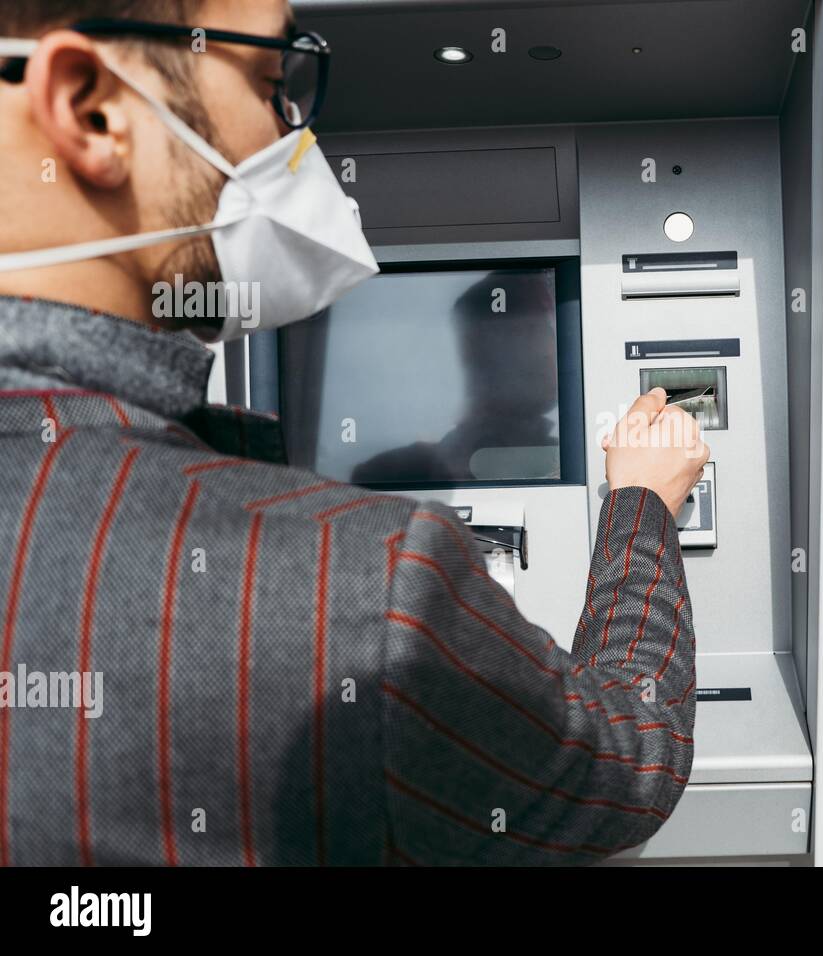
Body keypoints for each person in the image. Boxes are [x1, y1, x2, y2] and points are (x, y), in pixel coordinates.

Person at [0, 0, 707, 865]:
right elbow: (624, 761)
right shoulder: (362, 589)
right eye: (272, 86)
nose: (299, 143)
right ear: (90, 107)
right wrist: (642, 502)